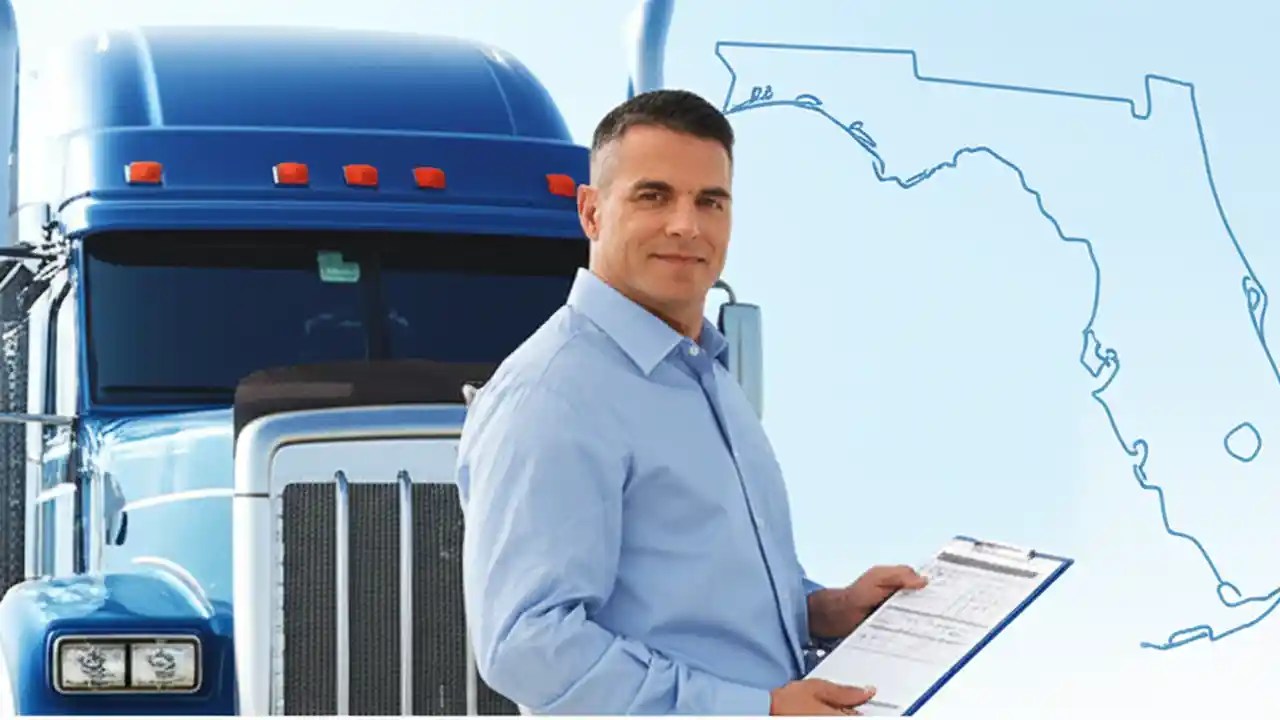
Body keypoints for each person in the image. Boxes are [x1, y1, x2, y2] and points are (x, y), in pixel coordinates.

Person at [454, 88, 926, 716]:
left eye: (711, 201)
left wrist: (824, 610)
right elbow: (528, 646)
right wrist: (758, 710)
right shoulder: (553, 394)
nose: (687, 224)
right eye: (654, 196)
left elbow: (692, 603)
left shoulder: (704, 376)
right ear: (592, 213)